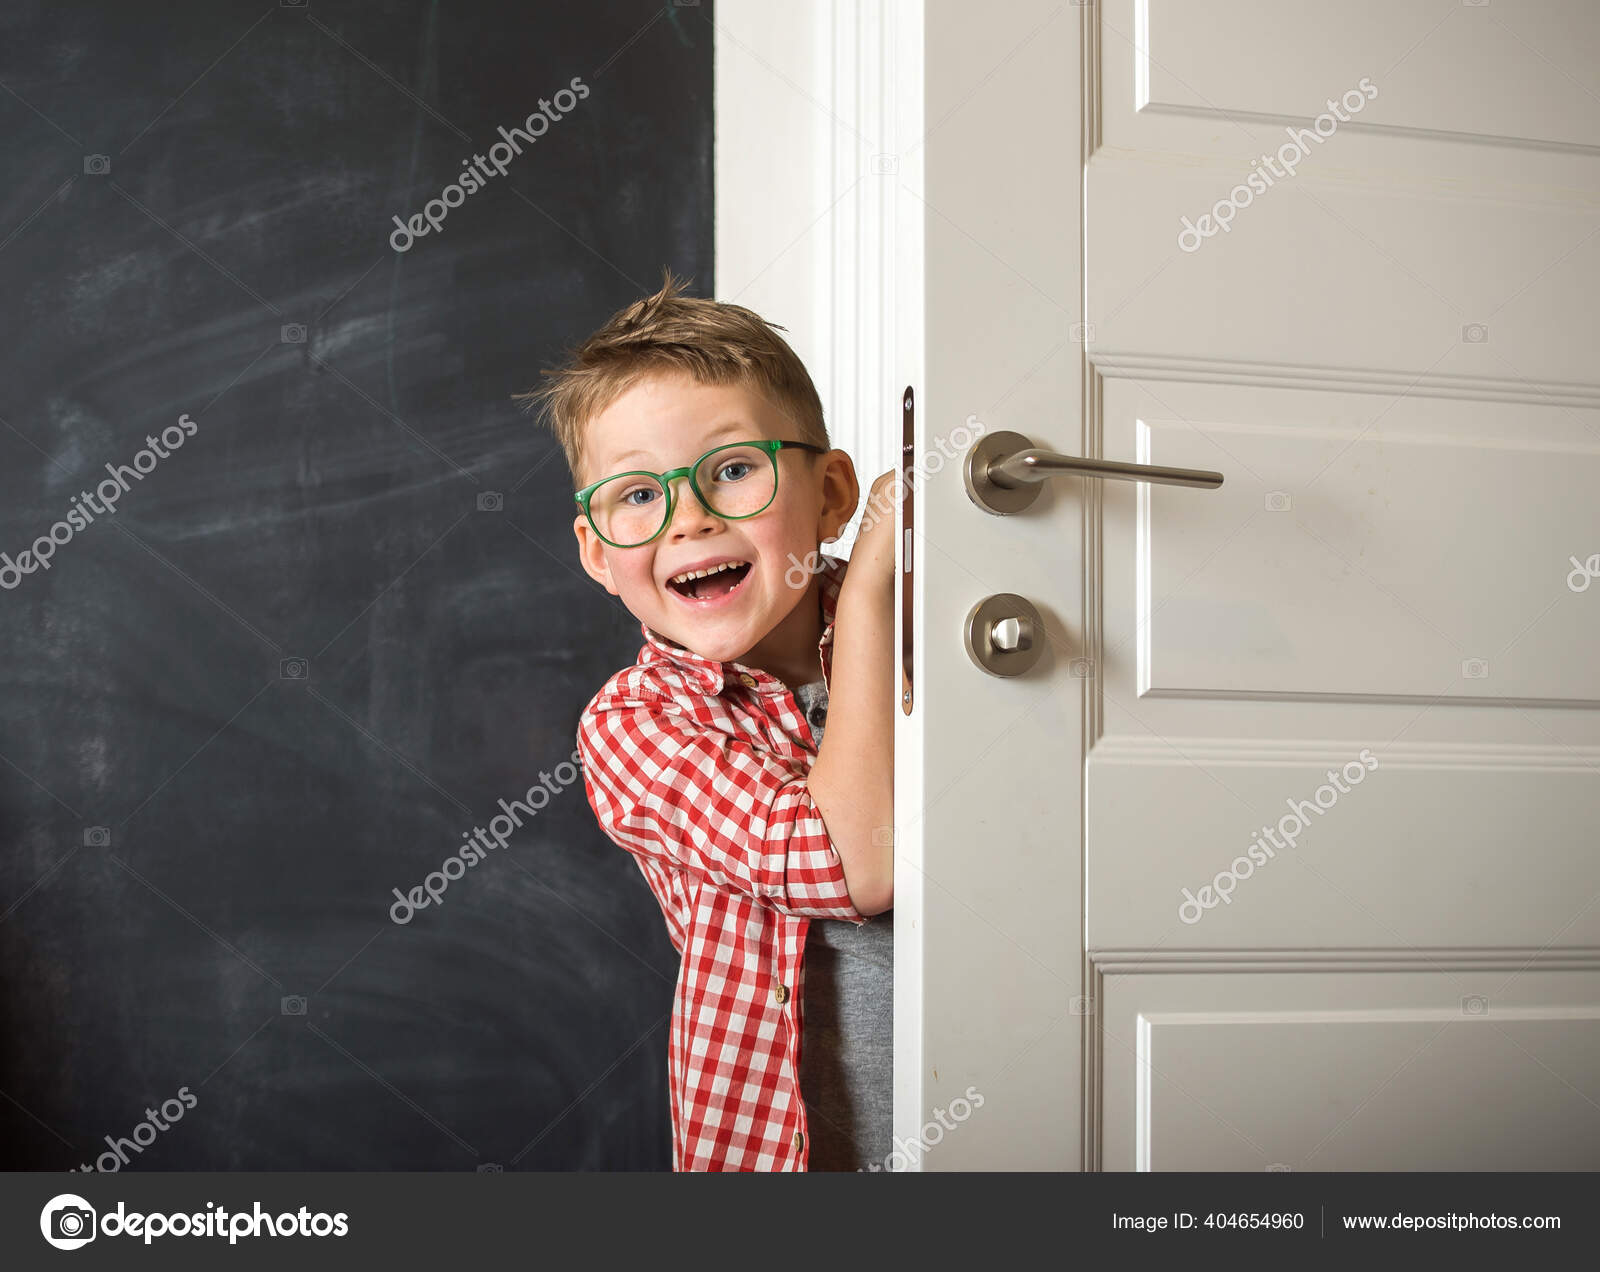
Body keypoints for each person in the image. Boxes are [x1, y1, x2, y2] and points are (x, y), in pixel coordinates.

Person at [516, 268, 896, 1171]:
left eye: (731, 471)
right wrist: (874, 594)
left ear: (834, 495)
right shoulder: (633, 729)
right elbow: (854, 864)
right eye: (638, 495)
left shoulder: (946, 643)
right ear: (596, 553)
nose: (685, 520)